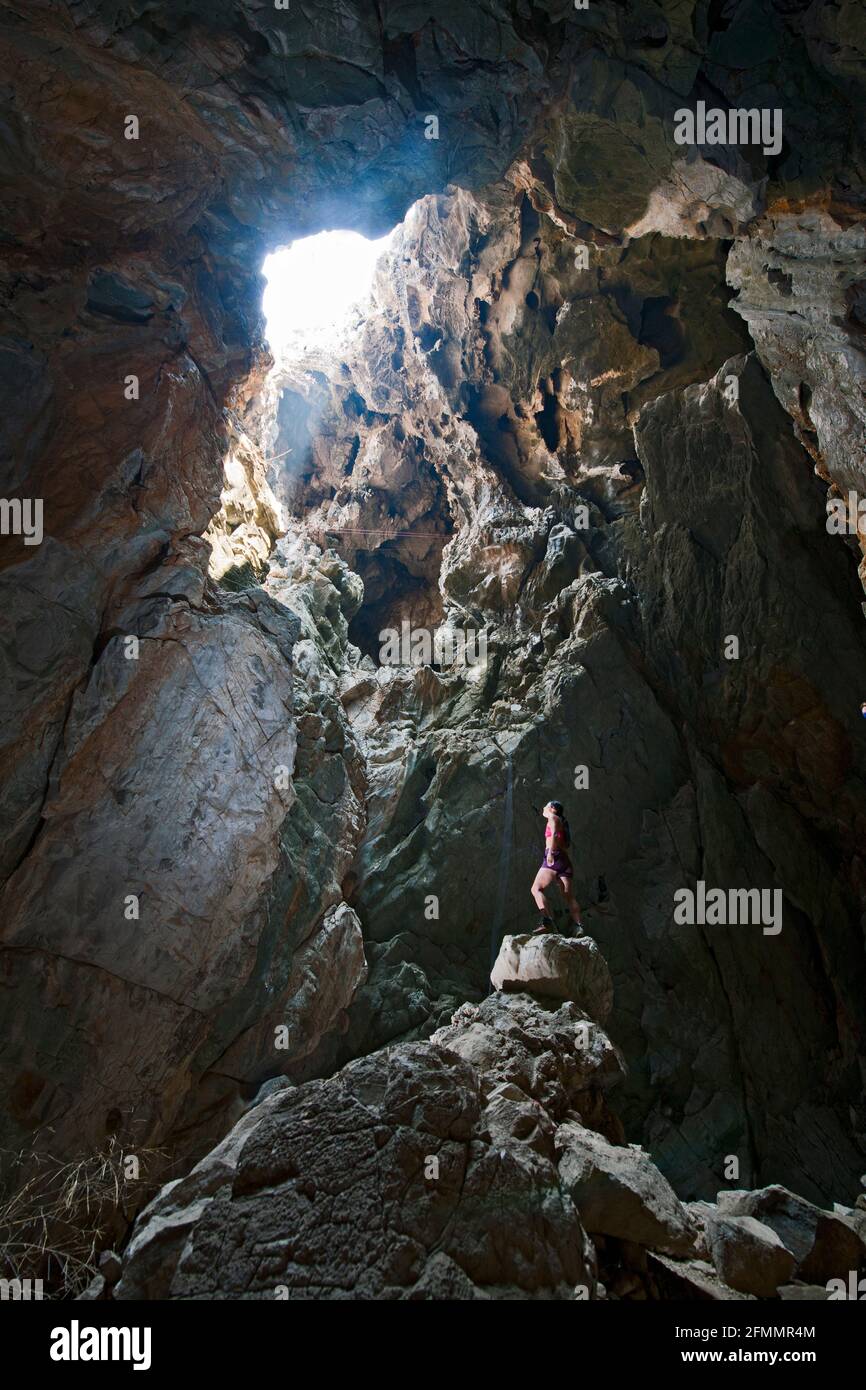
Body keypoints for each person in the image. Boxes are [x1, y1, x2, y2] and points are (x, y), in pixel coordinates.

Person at [530, 800, 584, 934]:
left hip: (553, 857)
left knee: (535, 889)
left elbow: (553, 833)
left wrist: (549, 854)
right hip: (564, 861)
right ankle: (579, 926)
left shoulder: (553, 818)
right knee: (569, 896)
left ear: (552, 808)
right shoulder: (562, 823)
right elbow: (564, 844)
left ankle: (547, 921)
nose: (543, 808)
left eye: (546, 806)